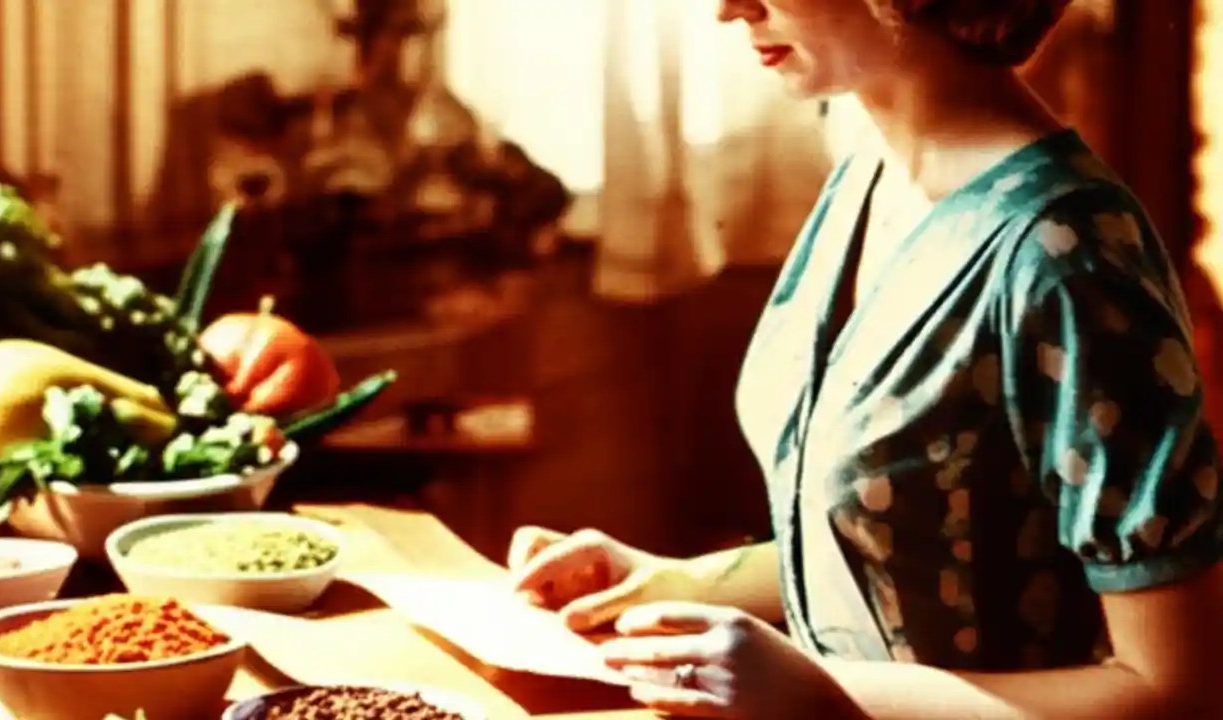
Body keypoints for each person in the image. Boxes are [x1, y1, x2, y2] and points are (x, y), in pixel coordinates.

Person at [506, 1, 1223, 718]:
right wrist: (669, 584)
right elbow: (895, 544)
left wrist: (825, 694)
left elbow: (1175, 690)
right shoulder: (866, 177)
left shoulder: (1066, 257)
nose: (729, 9)